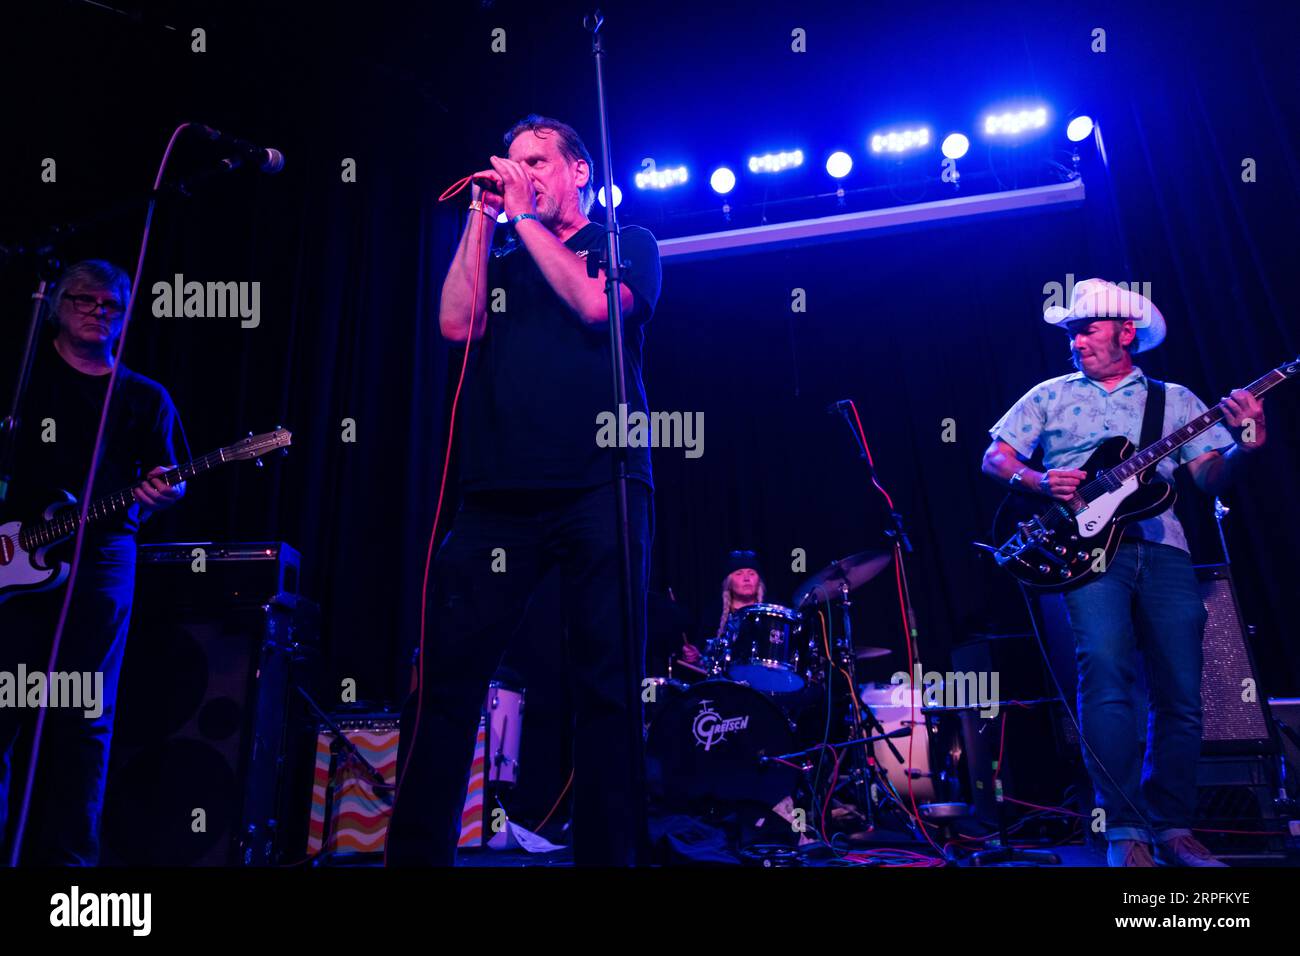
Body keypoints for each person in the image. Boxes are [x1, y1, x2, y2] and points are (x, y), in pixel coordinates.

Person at [387, 115, 662, 866]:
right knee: (444, 684)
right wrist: (483, 219)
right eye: (512, 163)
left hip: (599, 488)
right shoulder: (503, 255)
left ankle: (608, 857)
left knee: (605, 686)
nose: (522, 173)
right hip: (499, 498)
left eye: (538, 160)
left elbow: (595, 307)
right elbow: (455, 323)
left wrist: (525, 220)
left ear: (578, 171)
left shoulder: (625, 241)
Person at [981, 278, 1266, 867]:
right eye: (1071, 332)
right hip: (1083, 554)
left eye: (1086, 328)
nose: (1075, 340)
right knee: (1107, 678)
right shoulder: (1051, 394)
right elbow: (995, 456)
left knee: (1183, 690)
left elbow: (1210, 477)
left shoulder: (1176, 399)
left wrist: (1247, 441)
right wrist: (1037, 481)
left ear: (1125, 332)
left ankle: (1174, 826)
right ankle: (1123, 830)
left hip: (1163, 549)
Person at [0, 259, 188, 865]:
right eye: (84, 299)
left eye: (112, 305)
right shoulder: (21, 375)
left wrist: (166, 490)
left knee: (84, 718)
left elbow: (167, 477)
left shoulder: (143, 396)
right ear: (56, 302)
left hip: (101, 557)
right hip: (11, 553)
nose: (97, 311)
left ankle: (71, 875)